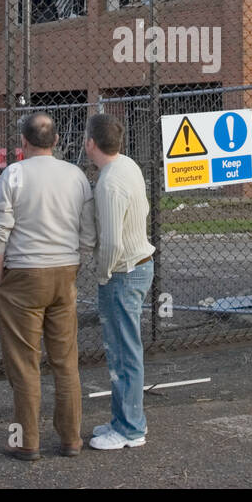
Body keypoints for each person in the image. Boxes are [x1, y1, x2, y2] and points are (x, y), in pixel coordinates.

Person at [0, 112, 95, 460]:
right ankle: (71, 438)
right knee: (66, 361)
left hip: (23, 274)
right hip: (64, 272)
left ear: (23, 141)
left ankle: (26, 440)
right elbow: (88, 231)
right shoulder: (76, 175)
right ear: (58, 140)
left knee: (24, 362)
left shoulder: (14, 174)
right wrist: (75, 263)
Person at [83, 113, 155, 450]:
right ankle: (123, 420)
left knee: (123, 352)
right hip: (139, 264)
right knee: (125, 349)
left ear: (91, 143)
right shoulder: (127, 165)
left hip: (123, 272)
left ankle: (129, 429)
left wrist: (102, 273)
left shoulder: (109, 182)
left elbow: (110, 242)